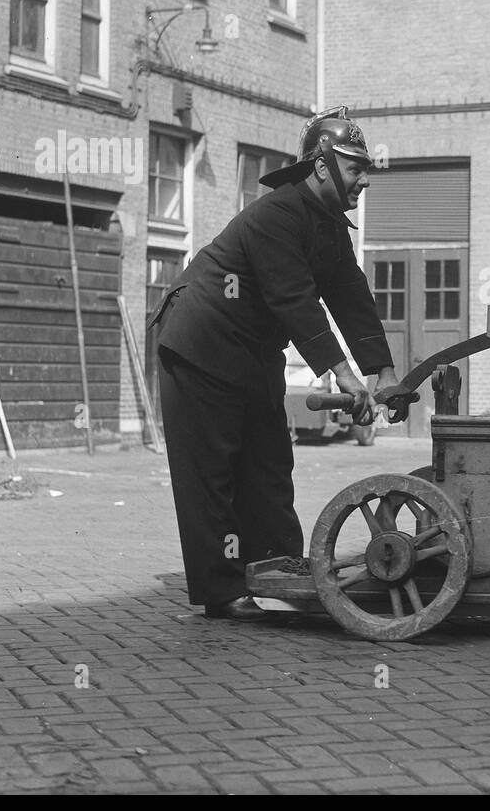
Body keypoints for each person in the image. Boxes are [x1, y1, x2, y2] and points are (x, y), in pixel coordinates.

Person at [148, 107, 415, 621]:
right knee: (213, 474)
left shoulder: (330, 228)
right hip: (200, 347)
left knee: (269, 463)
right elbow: (293, 299)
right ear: (321, 165)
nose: (364, 180)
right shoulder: (277, 214)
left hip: (251, 352)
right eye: (355, 167)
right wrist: (342, 373)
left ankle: (280, 569)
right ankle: (223, 590)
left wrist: (382, 372)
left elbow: (351, 298)